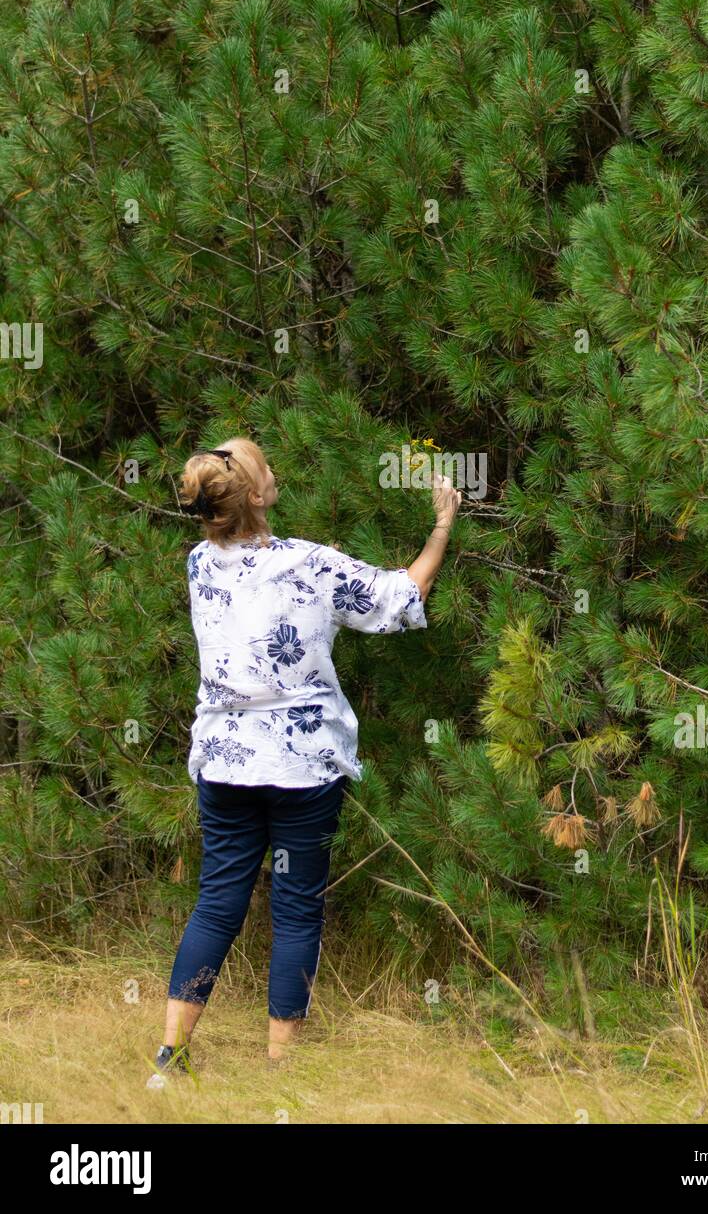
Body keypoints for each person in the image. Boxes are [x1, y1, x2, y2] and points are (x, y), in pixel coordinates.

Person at [148, 437, 461, 1084]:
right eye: (265, 466)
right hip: (302, 768)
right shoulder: (311, 565)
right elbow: (401, 597)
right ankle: (282, 1070)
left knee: (217, 904)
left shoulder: (199, 563)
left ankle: (171, 1057)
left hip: (225, 761)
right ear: (258, 495)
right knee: (295, 909)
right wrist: (441, 523)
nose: (274, 471)